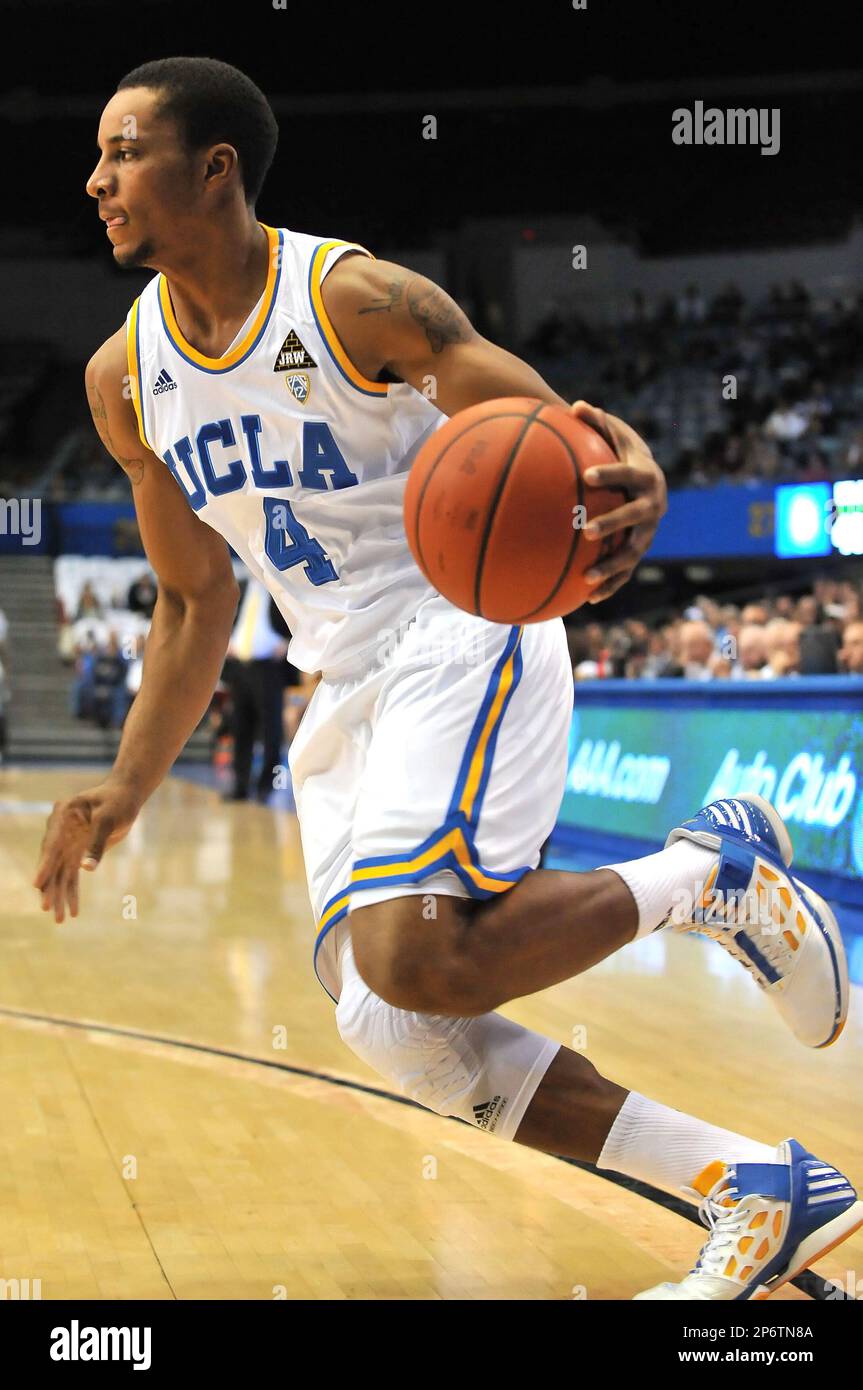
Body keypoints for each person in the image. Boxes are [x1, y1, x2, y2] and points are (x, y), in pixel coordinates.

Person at [34, 57, 859, 1302]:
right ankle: (755, 1184)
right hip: (342, 681)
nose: (95, 178)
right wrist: (123, 793)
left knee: (413, 954)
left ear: (214, 169)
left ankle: (714, 873)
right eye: (95, 155)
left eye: (124, 150)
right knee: (399, 1028)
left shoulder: (355, 301)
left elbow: (544, 431)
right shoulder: (123, 382)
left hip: (459, 620)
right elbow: (197, 600)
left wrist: (618, 457)